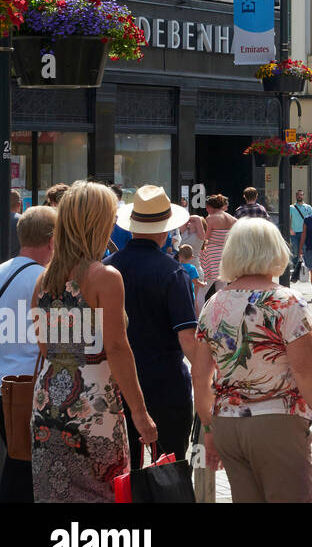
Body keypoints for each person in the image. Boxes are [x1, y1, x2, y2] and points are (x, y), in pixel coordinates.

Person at [191, 217, 312, 502]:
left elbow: (200, 376)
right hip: (278, 422)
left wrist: (208, 428)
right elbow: (305, 372)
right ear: (274, 250)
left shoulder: (214, 305)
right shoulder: (286, 302)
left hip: (228, 424)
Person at [31, 182, 158, 501]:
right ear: (97, 223)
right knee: (102, 495)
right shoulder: (104, 277)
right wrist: (141, 415)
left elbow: (44, 348)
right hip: (93, 406)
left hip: (48, 405)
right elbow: (117, 348)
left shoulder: (44, 279)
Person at [108, 185, 201, 468]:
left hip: (117, 385)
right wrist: (209, 378)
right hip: (166, 385)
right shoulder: (174, 272)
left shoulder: (106, 268)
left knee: (124, 472)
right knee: (171, 471)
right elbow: (187, 338)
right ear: (165, 231)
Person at [0, 206, 55, 502]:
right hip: (27, 391)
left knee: (16, 466)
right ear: (53, 240)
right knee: (26, 473)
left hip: (3, 387)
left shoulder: (2, 271)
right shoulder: (46, 281)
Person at [288, 191, 312, 283]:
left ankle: (304, 269)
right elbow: (288, 218)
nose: (299, 196)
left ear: (303, 196)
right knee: (295, 250)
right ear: (296, 196)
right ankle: (295, 270)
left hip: (305, 232)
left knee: (305, 250)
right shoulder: (291, 207)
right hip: (294, 232)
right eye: (298, 195)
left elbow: (311, 219)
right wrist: (290, 229)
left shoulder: (308, 207)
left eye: (301, 195)